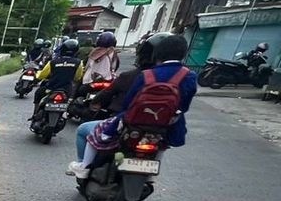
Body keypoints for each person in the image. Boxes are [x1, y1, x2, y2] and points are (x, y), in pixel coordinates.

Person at [68, 34, 197, 179]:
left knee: (92, 132)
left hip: (132, 123)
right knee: (162, 145)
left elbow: (128, 103)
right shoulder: (189, 76)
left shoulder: (146, 75)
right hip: (166, 127)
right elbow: (184, 105)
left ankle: (84, 166)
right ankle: (150, 175)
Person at [34, 38, 84, 107]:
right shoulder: (79, 63)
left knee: (38, 93)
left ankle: (35, 114)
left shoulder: (53, 62)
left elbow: (42, 75)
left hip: (51, 88)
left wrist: (37, 75)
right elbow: (77, 77)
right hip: (67, 90)